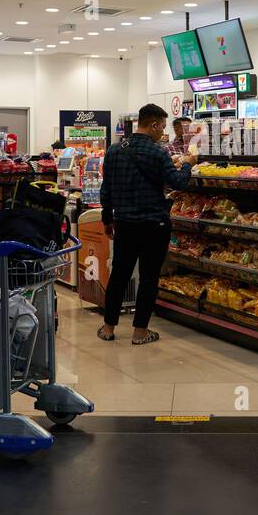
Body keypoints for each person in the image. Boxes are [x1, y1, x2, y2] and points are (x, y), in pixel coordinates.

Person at [97, 103, 193, 345]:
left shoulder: (114, 151)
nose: (162, 132)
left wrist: (108, 219)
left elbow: (105, 190)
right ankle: (140, 331)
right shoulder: (158, 153)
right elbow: (178, 183)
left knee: (119, 275)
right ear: (152, 124)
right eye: (161, 127)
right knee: (149, 277)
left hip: (125, 224)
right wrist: (189, 163)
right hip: (154, 225)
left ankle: (108, 328)